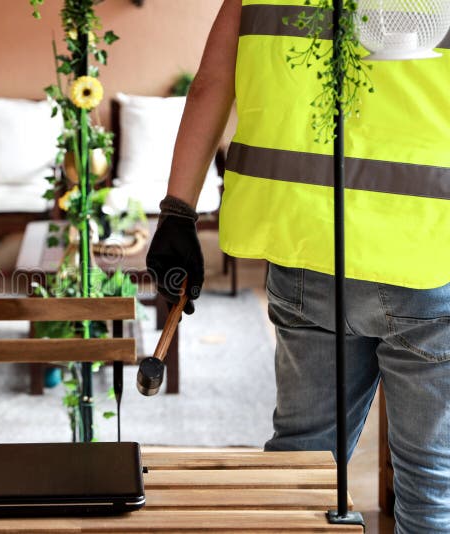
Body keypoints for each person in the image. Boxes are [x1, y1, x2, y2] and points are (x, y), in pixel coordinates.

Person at [146, 1, 450, 532]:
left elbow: (211, 83)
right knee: (429, 486)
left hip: (305, 247)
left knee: (298, 466)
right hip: (424, 252)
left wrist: (177, 212)